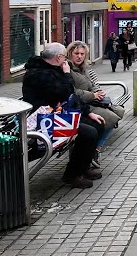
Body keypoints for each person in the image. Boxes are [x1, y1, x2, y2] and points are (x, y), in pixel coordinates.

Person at [22, 43, 105, 188]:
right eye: (65, 57)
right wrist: (67, 74)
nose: (66, 60)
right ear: (59, 57)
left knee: (97, 124)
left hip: (58, 115)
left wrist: (89, 113)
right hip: (44, 123)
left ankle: (83, 167)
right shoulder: (39, 74)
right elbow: (65, 92)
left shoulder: (53, 69)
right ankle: (72, 175)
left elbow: (71, 96)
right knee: (88, 133)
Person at [67, 41, 124, 160]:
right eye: (76, 53)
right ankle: (93, 150)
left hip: (91, 101)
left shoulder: (84, 68)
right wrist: (93, 95)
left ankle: (96, 149)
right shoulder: (68, 70)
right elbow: (72, 91)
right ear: (70, 53)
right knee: (110, 117)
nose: (79, 56)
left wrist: (98, 92)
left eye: (82, 54)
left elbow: (92, 84)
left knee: (119, 111)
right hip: (81, 105)